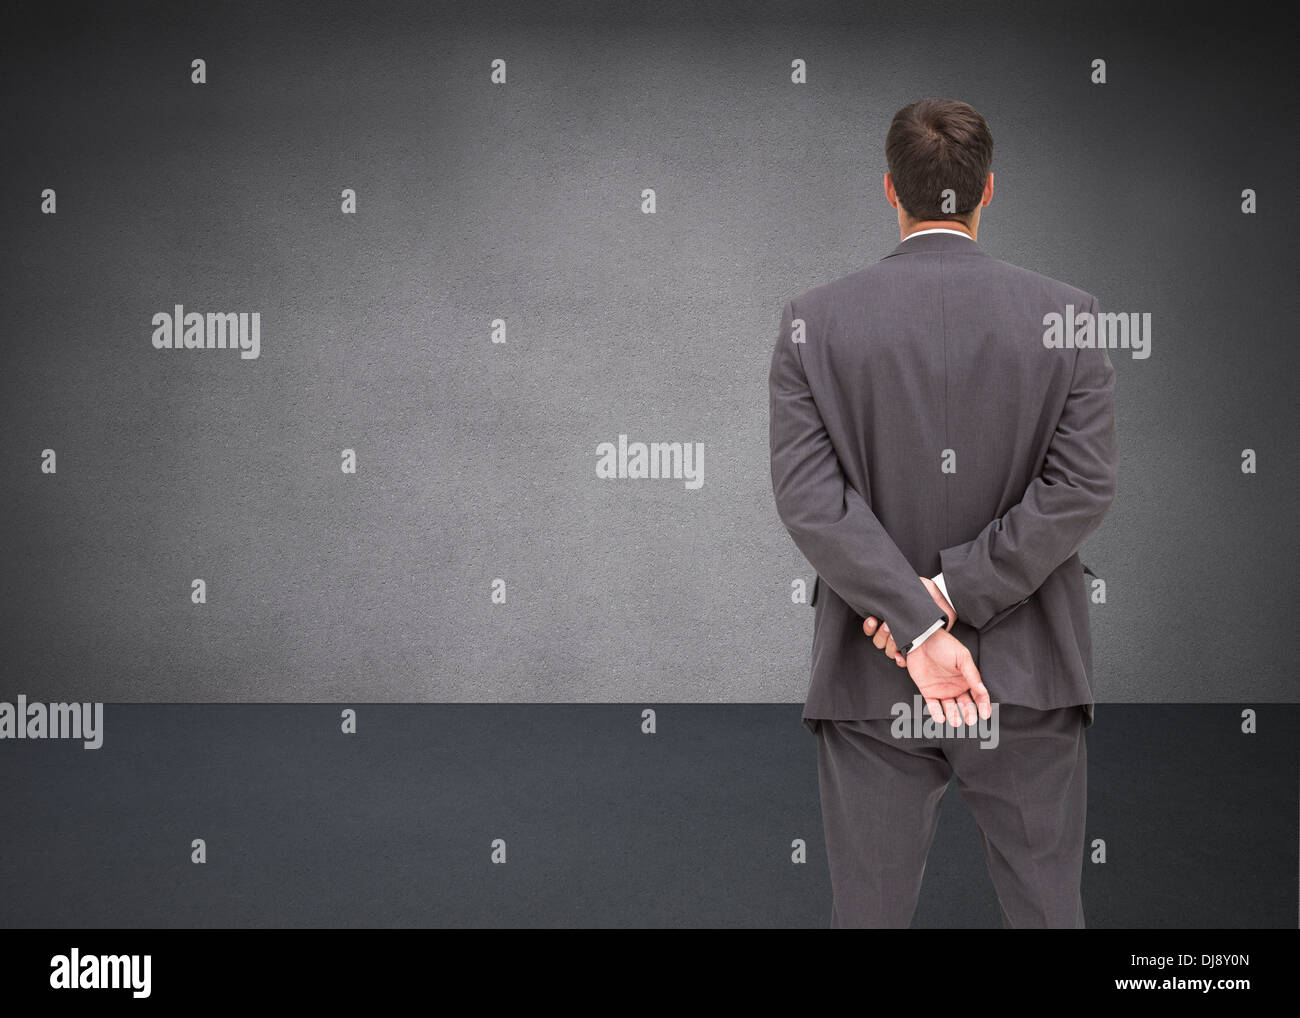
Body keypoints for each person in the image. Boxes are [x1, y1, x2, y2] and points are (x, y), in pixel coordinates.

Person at [768, 97, 1117, 928]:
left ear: (891, 190)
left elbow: (810, 500)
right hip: (1029, 672)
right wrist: (950, 596)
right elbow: (1080, 488)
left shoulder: (812, 322)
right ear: (988, 191)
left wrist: (917, 624)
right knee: (1047, 914)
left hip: (869, 672)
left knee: (869, 917)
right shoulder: (1069, 317)